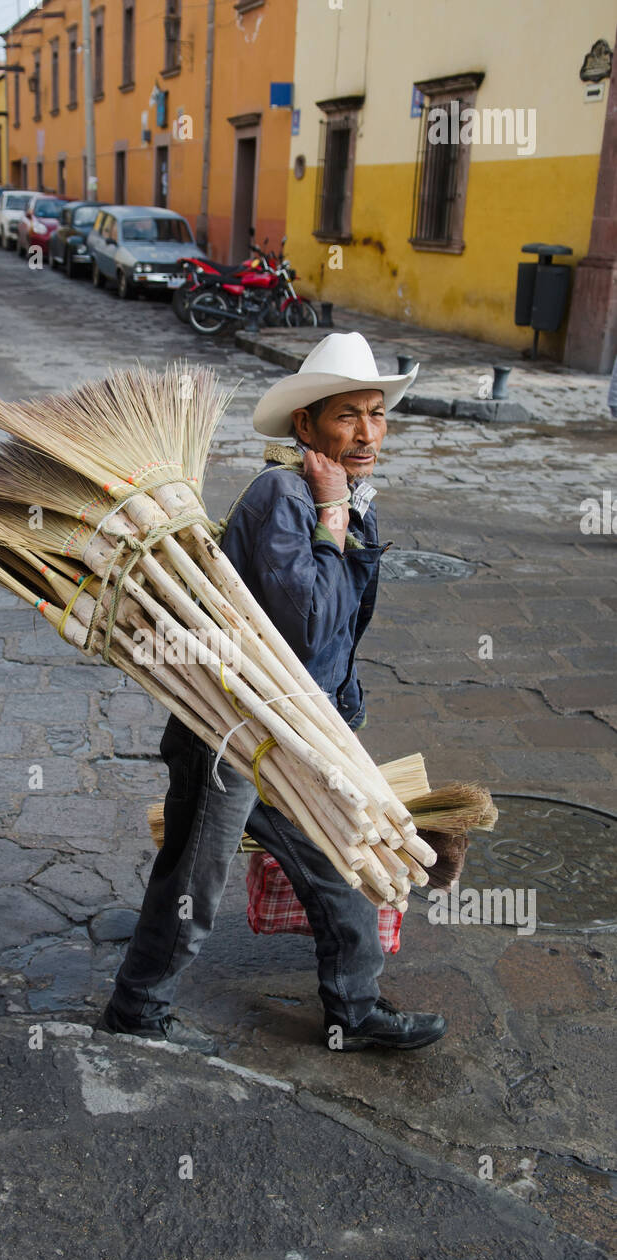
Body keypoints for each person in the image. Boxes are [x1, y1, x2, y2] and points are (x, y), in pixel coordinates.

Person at [97, 332, 448, 1055]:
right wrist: (330, 515)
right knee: (195, 880)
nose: (366, 433)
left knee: (337, 860)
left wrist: (342, 712)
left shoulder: (347, 498)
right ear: (306, 426)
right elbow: (311, 627)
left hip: (299, 730)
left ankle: (354, 1007)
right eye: (347, 415)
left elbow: (340, 635)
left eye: (377, 415)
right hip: (229, 730)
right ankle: (137, 1008)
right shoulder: (283, 496)